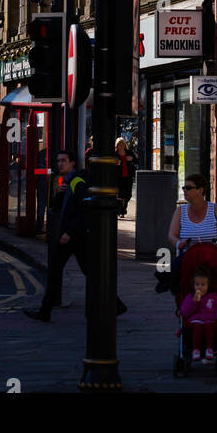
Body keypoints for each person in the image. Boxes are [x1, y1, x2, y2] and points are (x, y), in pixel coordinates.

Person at [24, 150, 127, 322]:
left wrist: (69, 233)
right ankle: (117, 304)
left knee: (56, 273)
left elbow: (83, 210)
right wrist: (62, 192)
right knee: (89, 273)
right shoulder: (69, 182)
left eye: (64, 161)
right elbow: (57, 208)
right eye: (58, 161)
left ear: (72, 163)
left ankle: (45, 311)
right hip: (76, 237)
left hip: (73, 236)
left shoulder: (78, 182)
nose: (60, 164)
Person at [168, 173, 217, 253]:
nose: (184, 190)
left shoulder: (215, 209)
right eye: (183, 187)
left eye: (188, 188)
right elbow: (172, 235)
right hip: (187, 257)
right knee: (175, 265)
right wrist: (178, 243)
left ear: (200, 190)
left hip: (211, 257)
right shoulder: (180, 211)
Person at [179, 270, 217, 362]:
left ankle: (210, 348)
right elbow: (184, 312)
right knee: (197, 327)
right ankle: (195, 349)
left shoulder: (213, 297)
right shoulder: (190, 297)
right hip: (195, 320)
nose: (200, 287)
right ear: (193, 286)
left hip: (209, 320)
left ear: (208, 286)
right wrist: (194, 302)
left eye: (203, 285)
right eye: (197, 284)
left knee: (208, 327)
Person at [115, 138, 136, 217]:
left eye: (122, 144)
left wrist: (132, 159)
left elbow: (136, 160)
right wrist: (116, 164)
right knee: (120, 195)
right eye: (119, 144)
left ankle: (123, 208)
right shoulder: (115, 154)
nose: (121, 146)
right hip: (119, 177)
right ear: (117, 146)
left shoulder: (129, 152)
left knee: (128, 195)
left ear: (124, 145)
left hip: (128, 177)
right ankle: (121, 211)